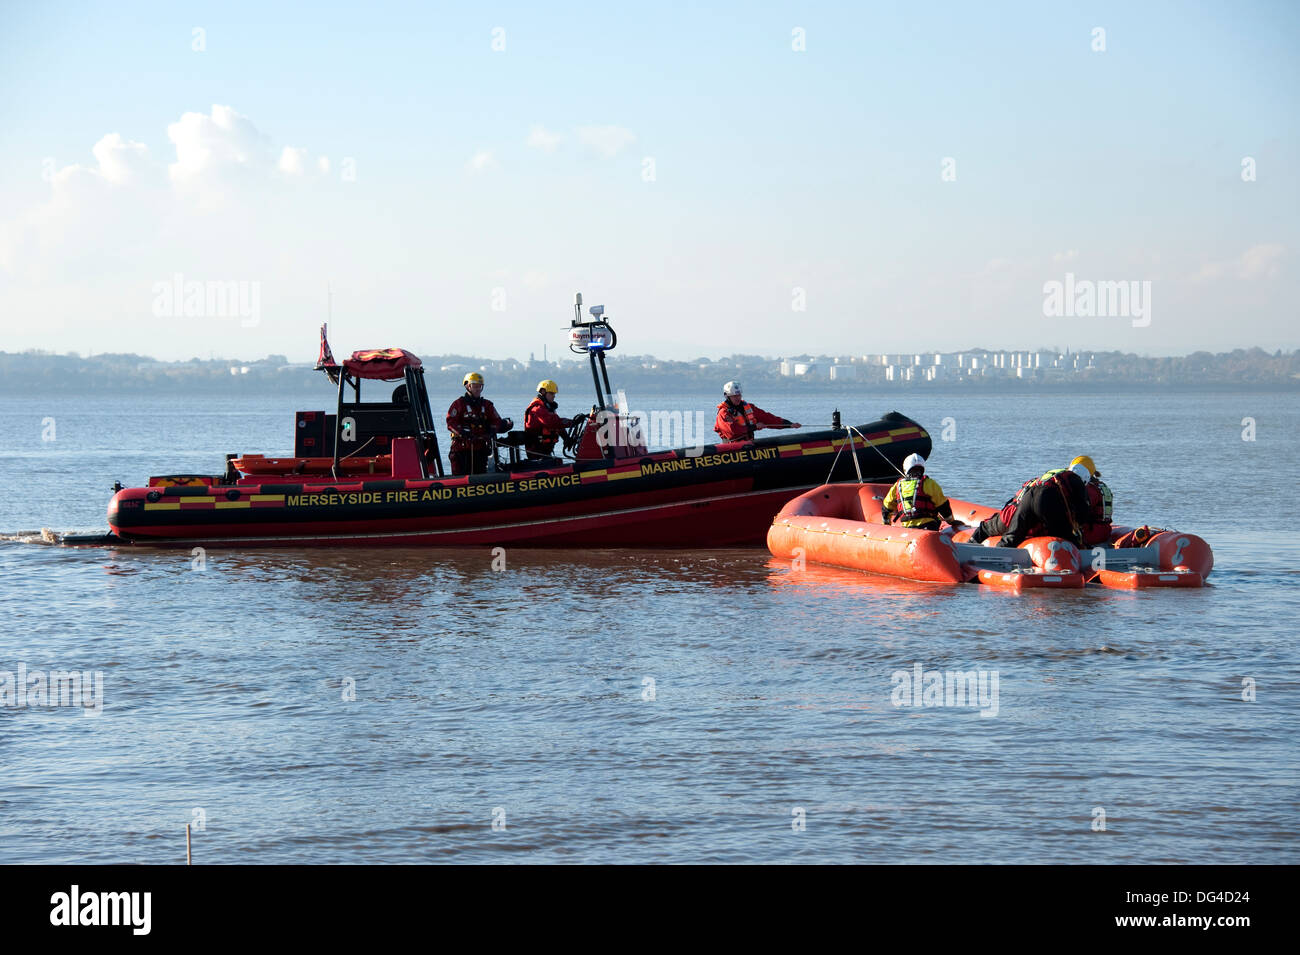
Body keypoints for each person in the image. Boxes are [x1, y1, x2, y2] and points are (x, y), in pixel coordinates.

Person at [972, 462, 1091, 547]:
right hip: (1048, 499)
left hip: (1029, 497)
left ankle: (990, 554)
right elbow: (1082, 514)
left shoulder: (1055, 474)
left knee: (1012, 537)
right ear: (1084, 479)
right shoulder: (1077, 481)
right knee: (1065, 537)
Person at [446, 372, 513, 475]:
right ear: (468, 386)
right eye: (475, 386)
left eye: (480, 386)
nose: (478, 389)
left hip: (480, 450)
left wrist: (492, 430)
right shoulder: (458, 404)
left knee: (481, 473)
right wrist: (462, 432)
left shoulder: (487, 405)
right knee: (461, 475)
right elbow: (450, 423)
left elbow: (497, 421)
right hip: (462, 450)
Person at [880, 454, 965, 531]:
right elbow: (943, 505)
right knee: (938, 519)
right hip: (929, 526)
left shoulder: (897, 486)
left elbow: (886, 508)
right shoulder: (929, 483)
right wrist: (951, 521)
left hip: (907, 529)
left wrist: (887, 525)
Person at [714, 381, 801, 441]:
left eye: (739, 395)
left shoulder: (749, 408)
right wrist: (755, 427)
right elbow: (733, 430)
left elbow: (767, 418)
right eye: (734, 396)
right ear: (727, 396)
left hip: (749, 443)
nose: (738, 398)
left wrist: (789, 424)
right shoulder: (724, 413)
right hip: (733, 447)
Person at [1070, 455, 1114, 547]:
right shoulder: (1102, 486)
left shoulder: (1088, 489)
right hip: (1106, 531)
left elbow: (1080, 512)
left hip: (1090, 534)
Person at [523, 379, 568, 460]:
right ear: (543, 392)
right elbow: (552, 423)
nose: (554, 396)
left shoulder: (548, 409)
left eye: (554, 394)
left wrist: (566, 438)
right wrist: (573, 422)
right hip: (537, 451)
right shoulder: (537, 409)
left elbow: (557, 425)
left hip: (546, 451)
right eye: (551, 393)